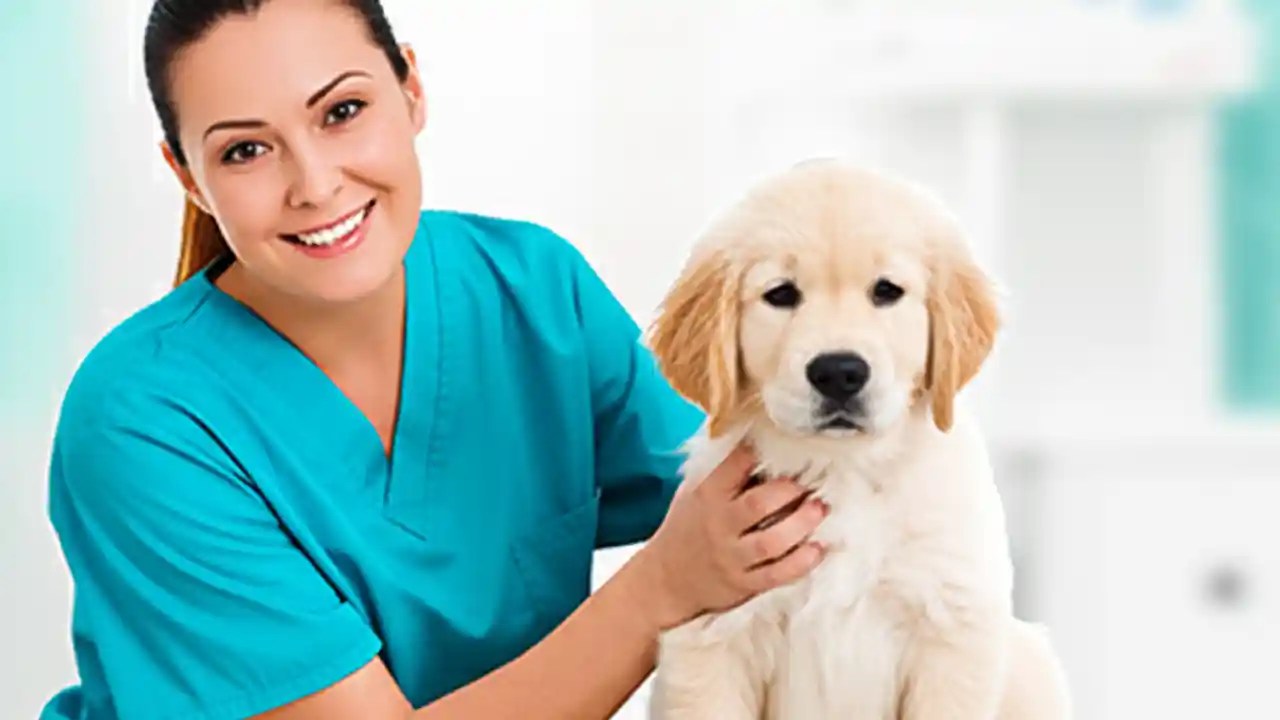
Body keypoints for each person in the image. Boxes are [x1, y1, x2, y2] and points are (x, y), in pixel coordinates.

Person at [40, 0, 829, 718]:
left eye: (342, 111)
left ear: (410, 90)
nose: (314, 185)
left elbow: (772, 505)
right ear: (189, 177)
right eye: (247, 151)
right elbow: (692, 561)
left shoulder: (535, 292)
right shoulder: (141, 419)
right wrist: (661, 588)